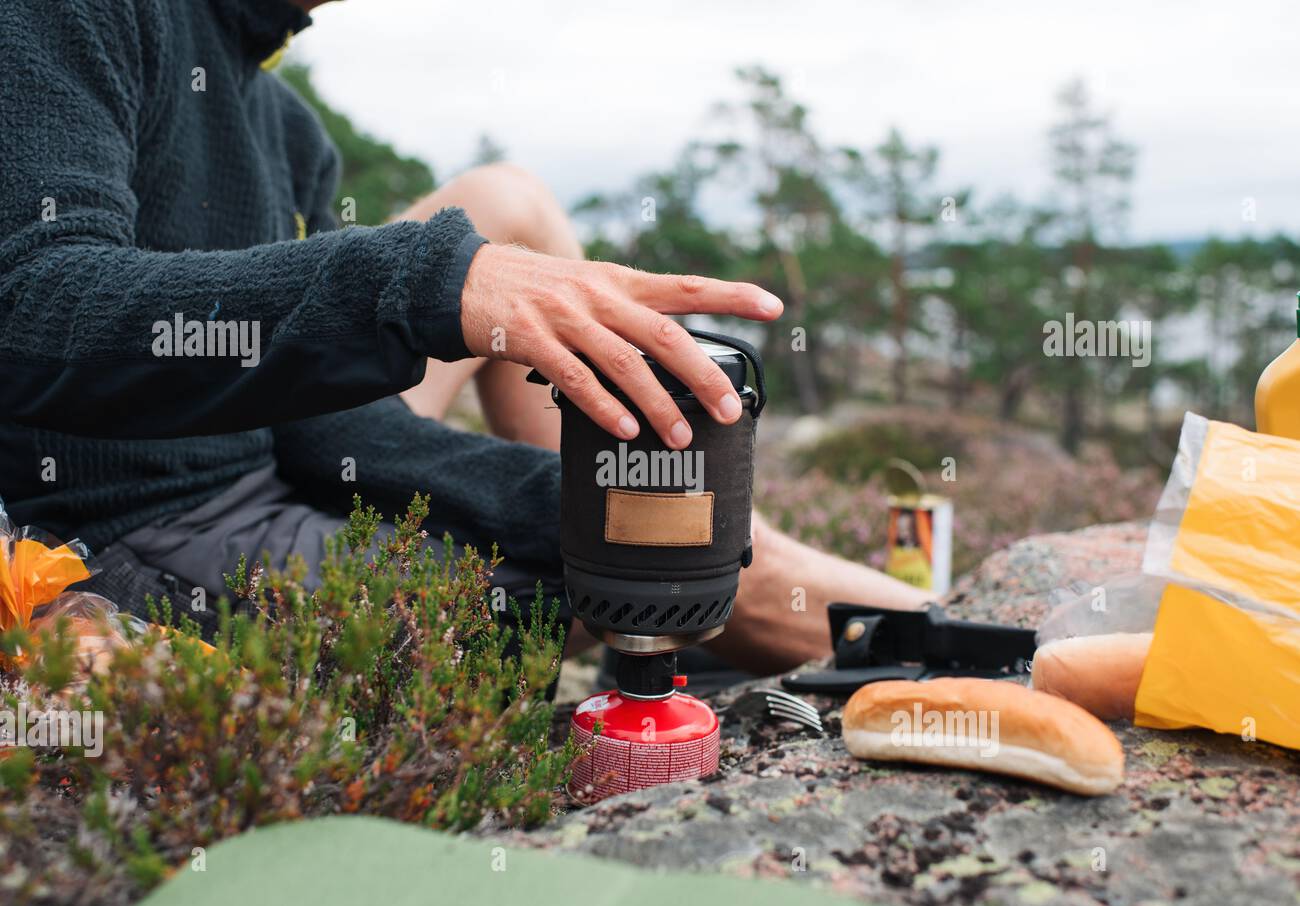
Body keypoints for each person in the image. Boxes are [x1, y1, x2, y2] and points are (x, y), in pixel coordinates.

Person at [0, 0, 929, 676]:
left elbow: (315, 412)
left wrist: (551, 496)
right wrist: (434, 282)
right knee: (638, 555)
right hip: (125, 525)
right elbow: (31, 304)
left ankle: (943, 637)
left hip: (259, 469)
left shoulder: (285, 128)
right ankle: (973, 648)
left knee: (627, 518)